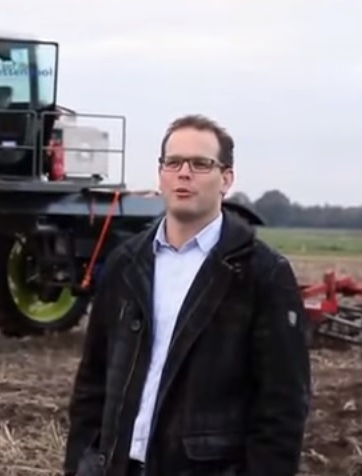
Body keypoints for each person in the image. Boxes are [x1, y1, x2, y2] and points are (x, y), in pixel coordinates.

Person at [62, 114, 312, 476]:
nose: (184, 173)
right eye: (174, 162)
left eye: (200, 164)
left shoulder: (262, 275)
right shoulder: (125, 265)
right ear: (160, 173)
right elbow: (92, 384)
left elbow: (282, 408)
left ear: (226, 178)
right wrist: (81, 463)